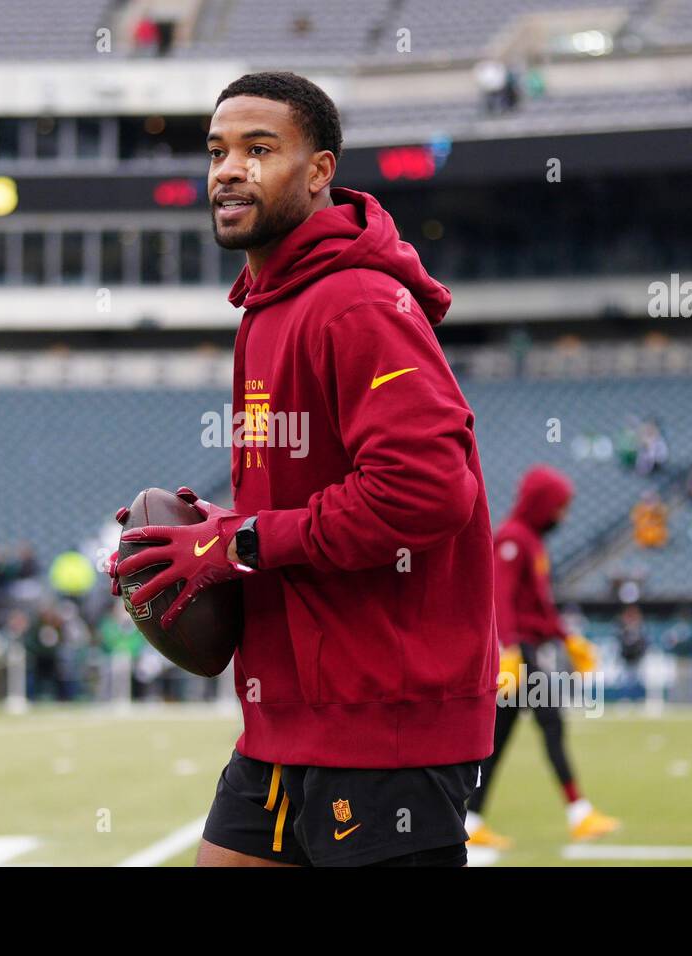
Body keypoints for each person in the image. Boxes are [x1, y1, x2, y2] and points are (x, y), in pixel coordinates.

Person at [111, 72, 496, 867]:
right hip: (287, 717)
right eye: (218, 151)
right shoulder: (267, 303)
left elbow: (423, 492)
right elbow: (303, 504)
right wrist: (212, 535)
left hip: (382, 725)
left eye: (259, 150)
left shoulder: (354, 302)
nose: (229, 170)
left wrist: (236, 545)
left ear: (319, 171)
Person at [464, 466, 619, 848]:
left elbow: (539, 606)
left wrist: (567, 639)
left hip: (526, 652)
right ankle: (577, 812)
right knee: (545, 727)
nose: (563, 516)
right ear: (542, 504)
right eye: (560, 507)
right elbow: (498, 596)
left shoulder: (530, 540)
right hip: (519, 656)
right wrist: (509, 648)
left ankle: (471, 819)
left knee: (500, 740)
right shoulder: (513, 540)